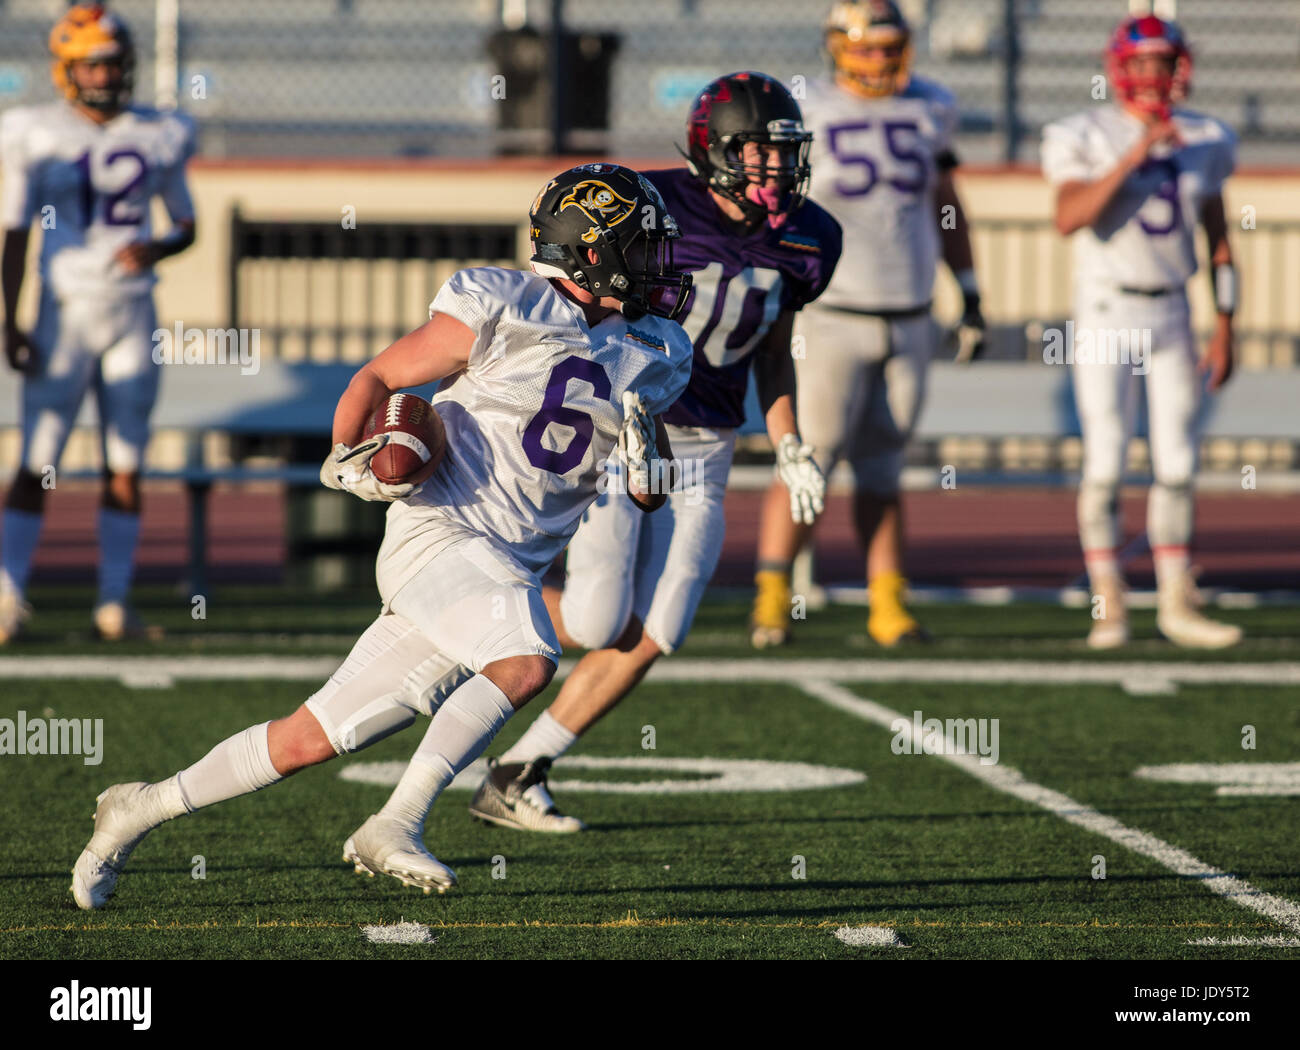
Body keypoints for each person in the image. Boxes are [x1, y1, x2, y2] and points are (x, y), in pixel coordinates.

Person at [70, 163, 694, 907]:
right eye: (640, 247)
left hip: (506, 568)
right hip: (440, 532)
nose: (658, 266)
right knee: (528, 660)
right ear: (587, 251)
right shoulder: (506, 303)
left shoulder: (655, 353)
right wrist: (346, 454)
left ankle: (138, 806)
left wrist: (648, 462)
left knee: (312, 737)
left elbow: (646, 496)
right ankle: (395, 822)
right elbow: (378, 378)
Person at [461, 71, 840, 834]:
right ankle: (467, 603)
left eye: (782, 153)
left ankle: (517, 769)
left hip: (707, 444)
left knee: (662, 626)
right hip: (624, 426)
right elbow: (572, 284)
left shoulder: (811, 235)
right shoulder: (653, 203)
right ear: (712, 150)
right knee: (601, 620)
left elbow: (770, 348)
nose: (773, 169)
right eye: (756, 153)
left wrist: (790, 437)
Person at [749, 0, 985, 650]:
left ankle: (889, 605)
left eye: (890, 46)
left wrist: (967, 292)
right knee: (809, 460)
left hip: (909, 313)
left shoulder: (931, 104)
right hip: (831, 313)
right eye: (869, 47)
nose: (881, 59)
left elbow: (946, 203)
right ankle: (772, 598)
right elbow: (773, 206)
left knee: (884, 470)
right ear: (838, 46)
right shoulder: (807, 108)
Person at [1041, 13, 1241, 649]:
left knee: (1178, 463)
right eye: (1144, 63)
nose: (1155, 75)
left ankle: (1176, 600)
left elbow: (1219, 236)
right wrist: (1137, 150)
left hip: (1175, 311)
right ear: (1118, 68)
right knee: (1104, 462)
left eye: (1165, 62)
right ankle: (1109, 602)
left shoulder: (1207, 137)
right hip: (1106, 311)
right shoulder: (1082, 132)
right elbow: (1071, 217)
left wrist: (1228, 323)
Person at [0, 3, 197, 643]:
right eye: (92, 63)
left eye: (112, 62)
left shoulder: (160, 132)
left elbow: (185, 222)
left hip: (133, 308)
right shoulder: (34, 132)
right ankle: (8, 598)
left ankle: (113, 603)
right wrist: (10, 320)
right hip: (63, 313)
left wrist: (159, 247)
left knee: (126, 462)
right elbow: (14, 235)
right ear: (65, 69)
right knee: (37, 460)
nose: (105, 74)